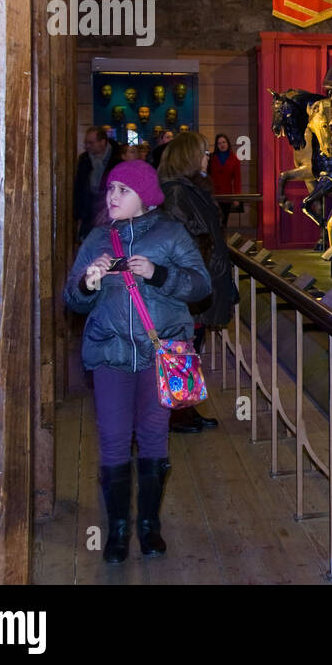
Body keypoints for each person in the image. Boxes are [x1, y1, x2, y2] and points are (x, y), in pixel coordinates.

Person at [62, 160, 211, 563]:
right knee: (112, 440)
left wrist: (160, 274)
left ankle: (149, 526)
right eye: (111, 189)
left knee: (152, 437)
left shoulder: (170, 233)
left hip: (158, 355)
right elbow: (71, 298)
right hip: (109, 353)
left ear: (144, 197)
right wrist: (87, 284)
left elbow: (201, 285)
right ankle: (118, 531)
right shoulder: (96, 239)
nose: (112, 197)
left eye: (123, 191)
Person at [158, 131, 238, 433]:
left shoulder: (191, 189)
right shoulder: (178, 192)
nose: (207, 157)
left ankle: (186, 409)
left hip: (200, 282)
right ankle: (178, 413)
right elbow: (188, 241)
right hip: (190, 287)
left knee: (191, 347)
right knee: (183, 348)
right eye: (203, 152)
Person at [74, 126, 122, 242]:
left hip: (109, 208)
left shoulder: (117, 159)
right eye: (86, 143)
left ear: (103, 142)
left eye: (91, 143)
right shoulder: (84, 159)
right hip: (88, 208)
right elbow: (79, 187)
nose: (87, 146)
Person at [207, 133, 243, 227]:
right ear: (216, 145)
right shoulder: (211, 158)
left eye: (224, 142)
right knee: (213, 221)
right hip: (213, 194)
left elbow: (237, 180)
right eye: (219, 143)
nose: (222, 145)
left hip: (227, 195)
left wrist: (236, 197)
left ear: (228, 143)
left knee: (223, 222)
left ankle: (222, 240)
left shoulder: (234, 159)